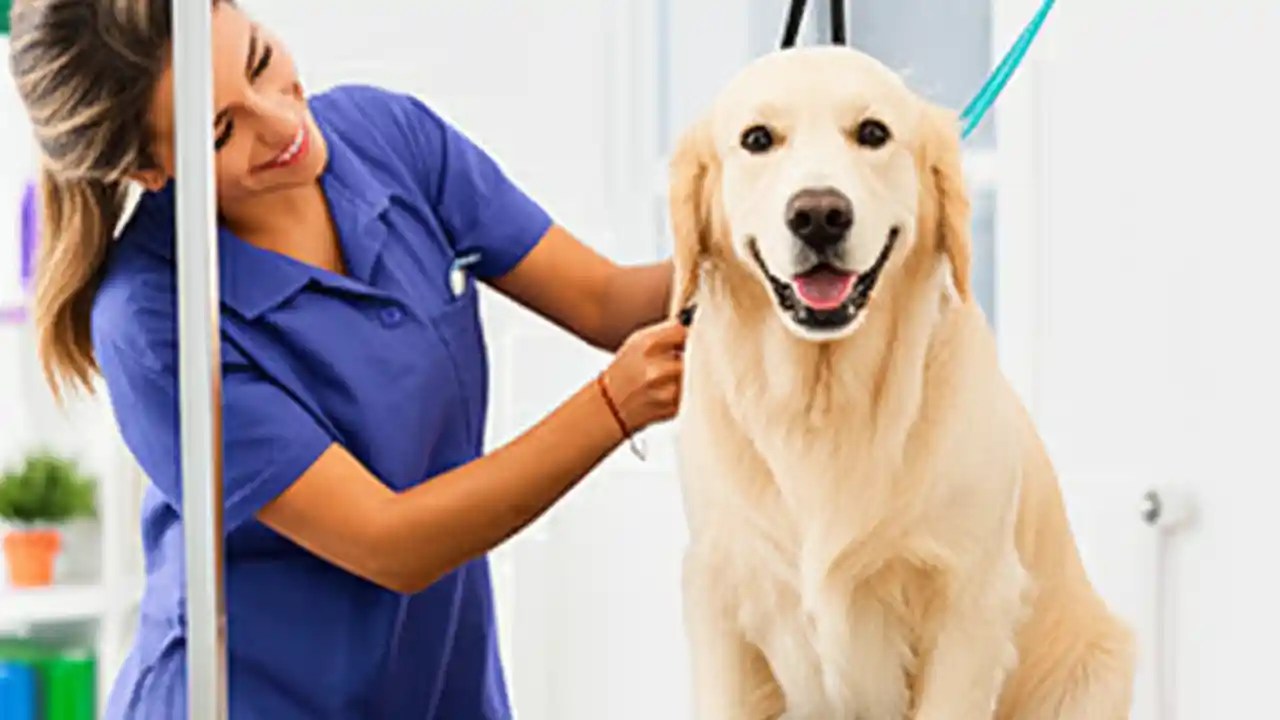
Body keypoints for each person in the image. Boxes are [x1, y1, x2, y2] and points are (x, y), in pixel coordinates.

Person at [7, 1, 686, 717]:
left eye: (262, 61)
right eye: (220, 132)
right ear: (149, 169)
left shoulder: (387, 138)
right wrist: (614, 407)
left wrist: (759, 233)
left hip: (438, 685)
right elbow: (392, 542)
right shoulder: (154, 318)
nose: (282, 125)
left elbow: (609, 302)